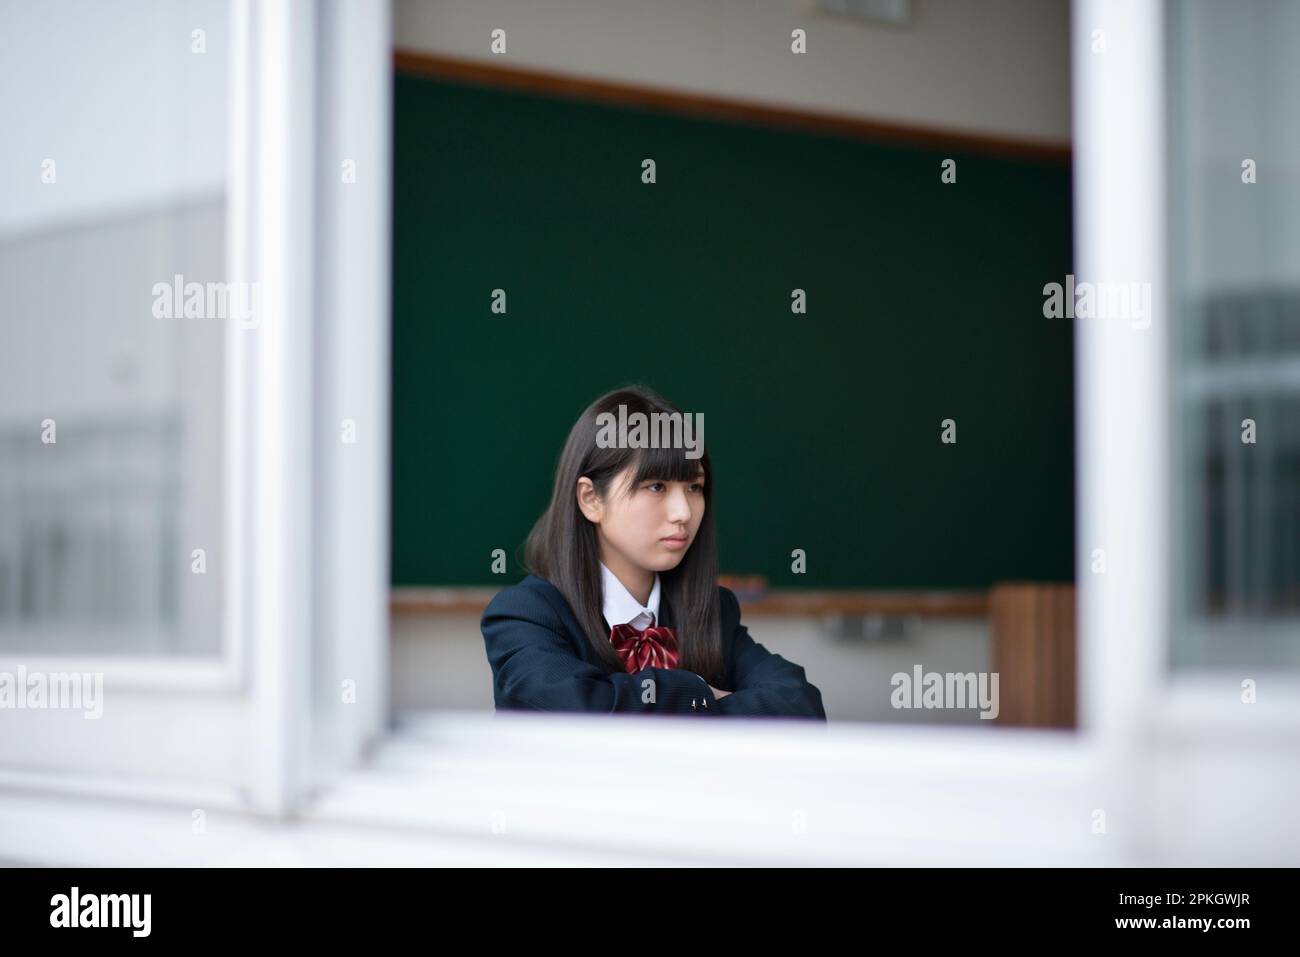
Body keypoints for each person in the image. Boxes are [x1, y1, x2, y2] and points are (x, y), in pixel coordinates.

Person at [481, 384, 826, 719]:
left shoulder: (712, 612)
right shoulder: (525, 615)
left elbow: (800, 705)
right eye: (656, 486)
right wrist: (697, 693)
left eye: (695, 487)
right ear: (591, 499)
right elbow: (581, 714)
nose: (684, 513)